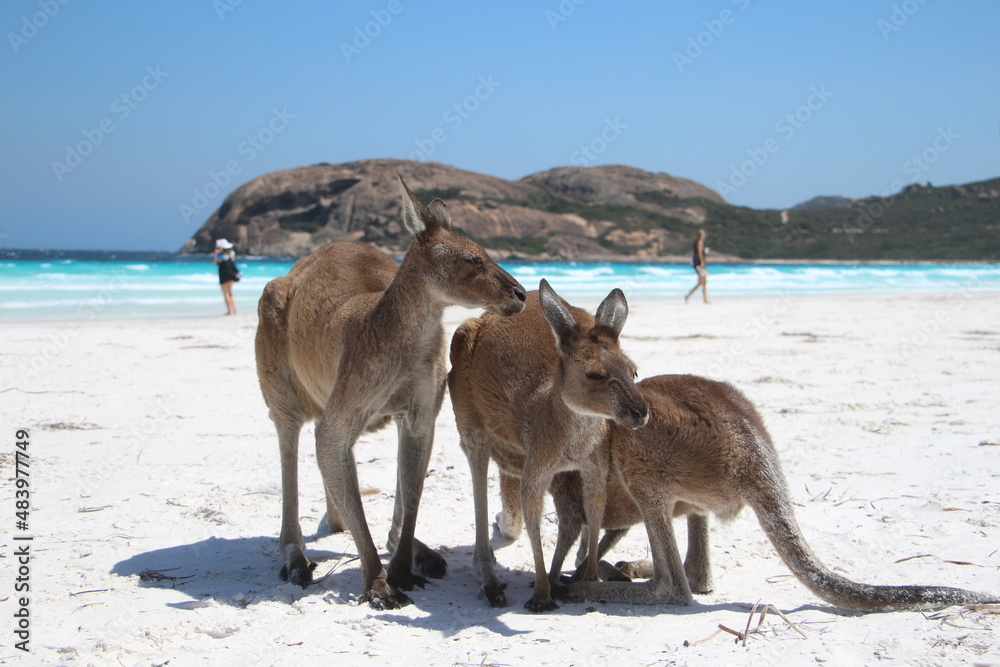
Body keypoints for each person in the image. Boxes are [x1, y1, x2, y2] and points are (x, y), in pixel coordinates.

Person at [213, 239, 240, 315]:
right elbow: (232, 260)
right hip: (231, 273)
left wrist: (216, 253)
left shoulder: (220, 255)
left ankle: (229, 311)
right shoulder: (231, 253)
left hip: (224, 274)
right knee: (230, 292)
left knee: (226, 293)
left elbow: (215, 262)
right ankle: (234, 309)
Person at [684, 229, 710, 304]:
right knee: (701, 282)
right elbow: (699, 253)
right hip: (699, 264)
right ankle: (689, 296)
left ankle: (704, 299)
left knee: (703, 282)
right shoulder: (699, 243)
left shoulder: (696, 243)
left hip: (697, 264)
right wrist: (702, 262)